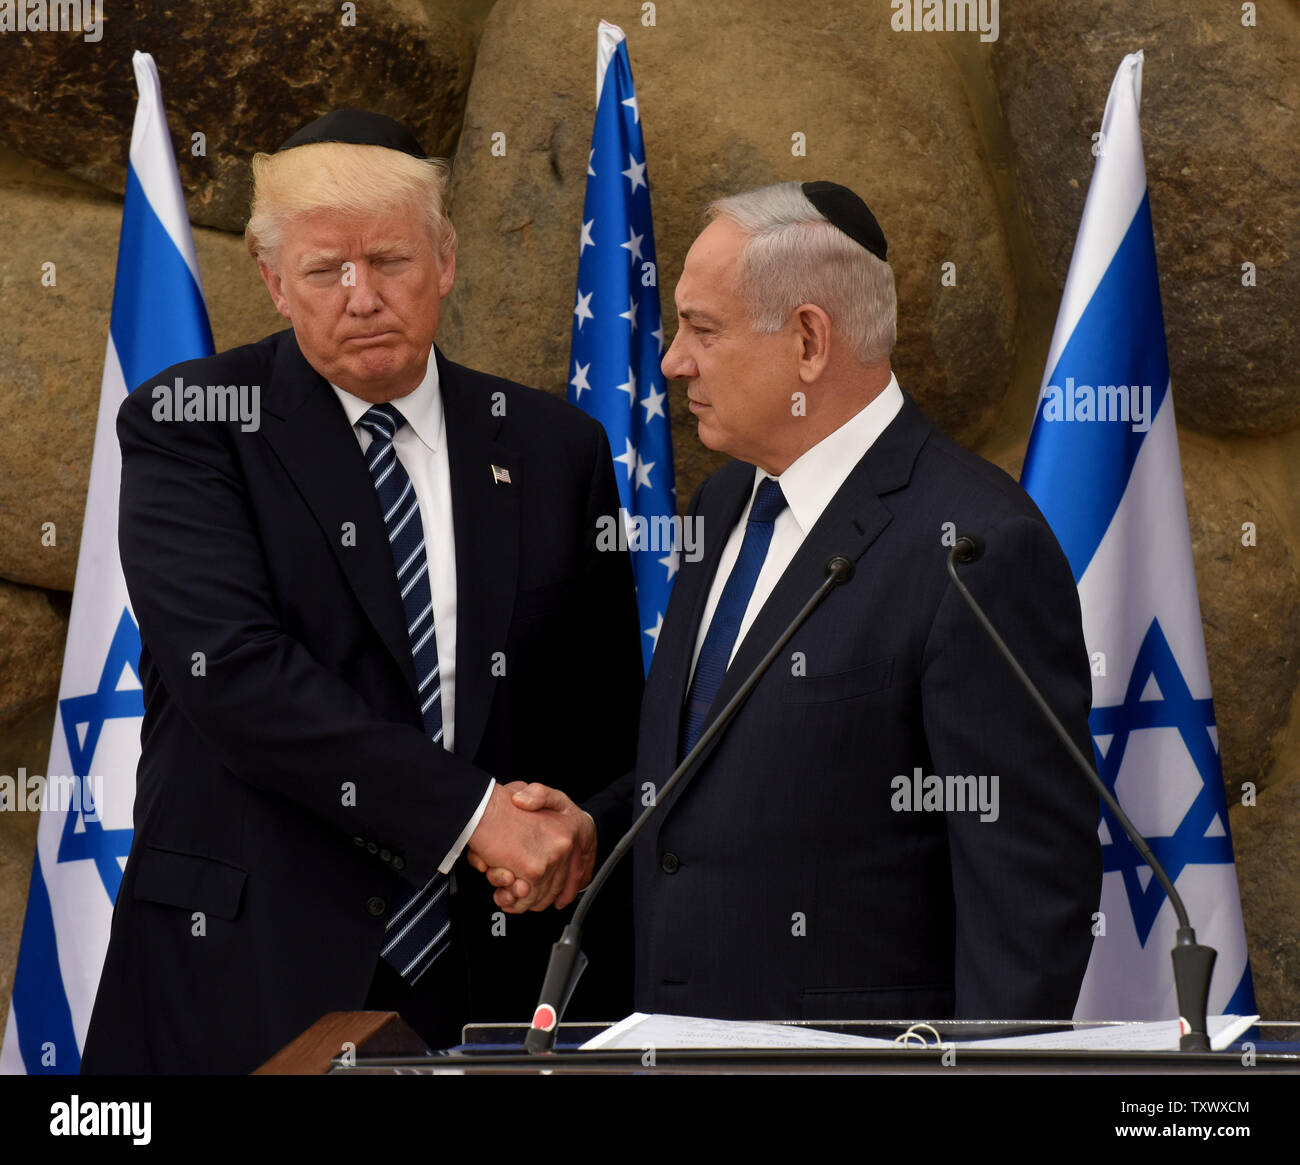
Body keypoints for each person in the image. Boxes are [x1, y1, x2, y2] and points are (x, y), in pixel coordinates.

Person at [80, 110, 642, 1074]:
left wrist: (578, 827)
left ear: (448, 260)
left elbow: (604, 713)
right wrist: (480, 818)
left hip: (498, 976)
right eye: (324, 271)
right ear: (272, 282)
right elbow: (241, 678)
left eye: (390, 261)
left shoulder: (556, 448)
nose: (362, 296)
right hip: (248, 972)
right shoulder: (192, 428)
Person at [489, 180, 1102, 1023]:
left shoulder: (977, 545)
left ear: (810, 339)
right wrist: (601, 827)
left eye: (703, 330)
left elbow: (1027, 899)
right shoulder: (721, 502)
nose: (672, 360)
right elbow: (733, 758)